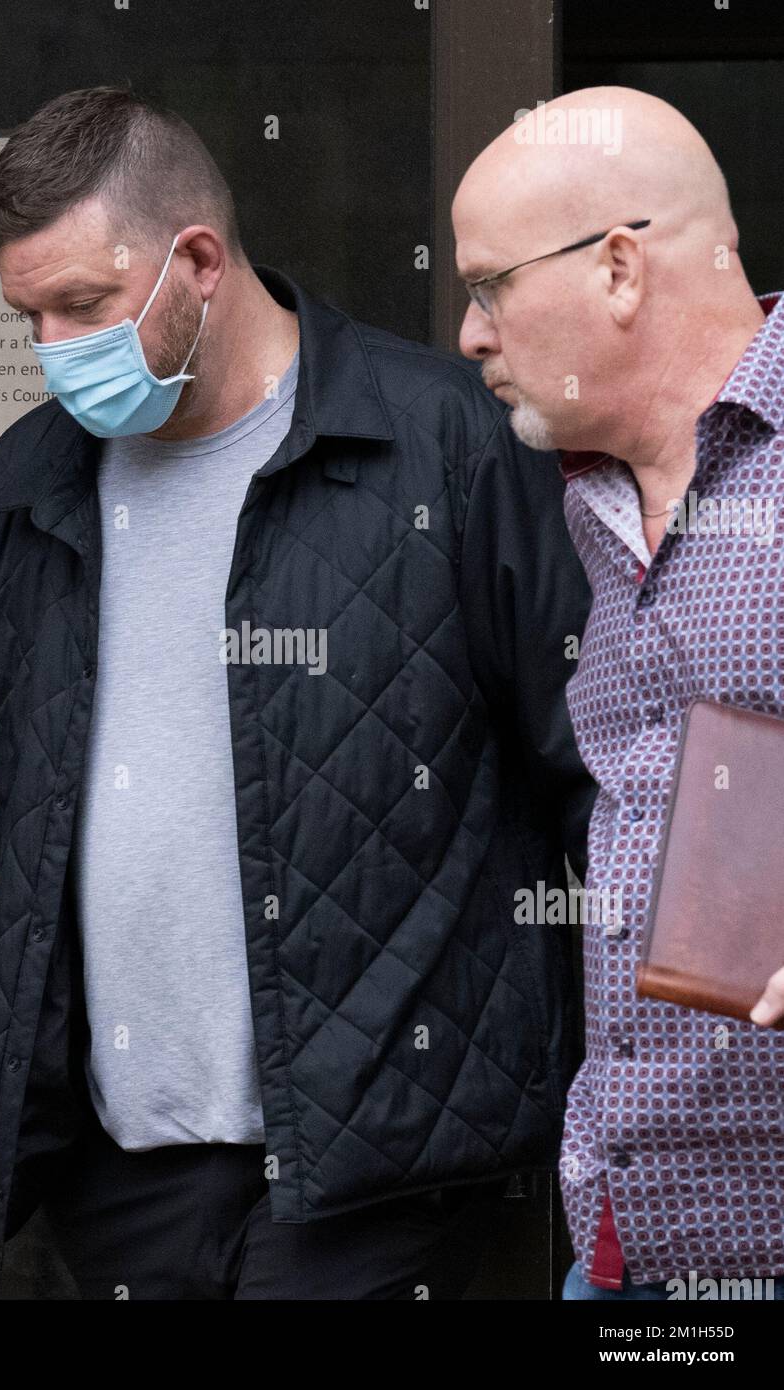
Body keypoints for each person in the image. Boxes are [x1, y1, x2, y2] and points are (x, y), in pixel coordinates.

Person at [0, 83, 593, 1300]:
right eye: (27, 315)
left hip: (386, 1176)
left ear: (196, 260)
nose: (50, 351)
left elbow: (590, 777)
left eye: (80, 306)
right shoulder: (21, 492)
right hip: (118, 1174)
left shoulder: (443, 444)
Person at [453, 85, 784, 1301]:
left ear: (617, 270)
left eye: (488, 286)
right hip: (629, 1240)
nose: (469, 336)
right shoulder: (590, 502)